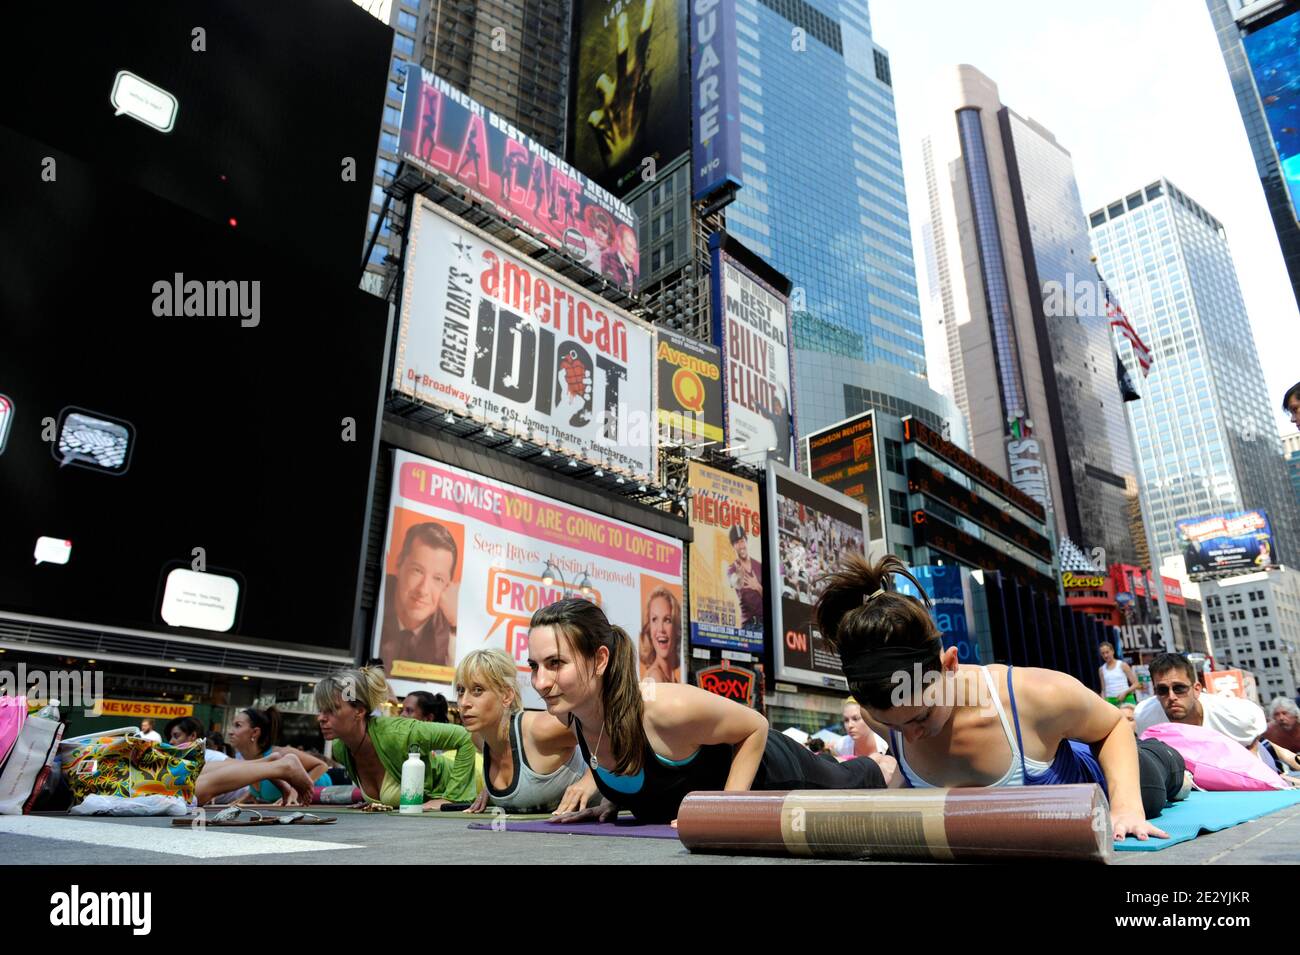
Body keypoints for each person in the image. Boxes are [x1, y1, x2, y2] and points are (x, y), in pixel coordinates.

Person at [814, 554, 1187, 841]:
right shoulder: (885, 711)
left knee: (1165, 772)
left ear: (949, 665)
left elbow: (1112, 727)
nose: (910, 735)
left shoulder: (1034, 694)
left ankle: (1177, 763)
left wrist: (1126, 807)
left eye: (921, 717)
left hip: (1121, 773)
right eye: (895, 725)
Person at [528, 599, 892, 825]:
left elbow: (755, 726)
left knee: (853, 781)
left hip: (777, 774)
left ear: (600, 660)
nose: (541, 682)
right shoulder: (571, 713)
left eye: (555, 663)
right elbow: (639, 769)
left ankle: (886, 763)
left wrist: (726, 810)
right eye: (534, 665)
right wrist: (616, 797)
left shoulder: (665, 707)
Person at [316, 665, 478, 808]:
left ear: (359, 711)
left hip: (478, 779)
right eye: (321, 710)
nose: (321, 718)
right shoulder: (341, 748)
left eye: (331, 709)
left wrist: (450, 799)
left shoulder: (398, 733)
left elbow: (465, 737)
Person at [456, 649, 593, 815]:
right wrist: (495, 789)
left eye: (478, 690)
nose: (464, 702)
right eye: (461, 690)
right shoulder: (479, 738)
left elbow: (615, 728)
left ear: (506, 696)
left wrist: (591, 781)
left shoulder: (539, 730)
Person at [1132, 653, 1267, 749]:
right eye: (1162, 690)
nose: (1171, 696)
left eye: (1179, 688)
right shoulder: (1145, 716)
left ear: (1196, 689)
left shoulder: (1235, 716)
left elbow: (1256, 730)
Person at [379, 522, 459, 670]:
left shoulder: (449, 625)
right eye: (417, 571)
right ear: (398, 565)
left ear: (447, 586)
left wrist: (455, 625)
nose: (423, 590)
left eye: (438, 579)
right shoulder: (378, 599)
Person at [226, 707, 331, 804]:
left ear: (255, 732)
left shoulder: (281, 754)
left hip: (322, 796)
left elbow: (322, 766)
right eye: (232, 725)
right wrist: (243, 799)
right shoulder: (245, 759)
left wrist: (296, 791)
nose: (230, 732)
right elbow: (264, 787)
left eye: (238, 725)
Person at [639, 587, 681, 683]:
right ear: (648, 628)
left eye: (667, 620)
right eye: (654, 619)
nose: (661, 629)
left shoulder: (671, 678)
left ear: (675, 627)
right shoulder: (654, 677)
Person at [726, 524, 763, 632]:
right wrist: (740, 575)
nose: (741, 545)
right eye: (737, 542)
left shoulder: (759, 566)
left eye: (742, 541)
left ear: (746, 541)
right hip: (748, 626)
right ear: (733, 546)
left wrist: (757, 587)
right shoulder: (732, 569)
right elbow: (736, 583)